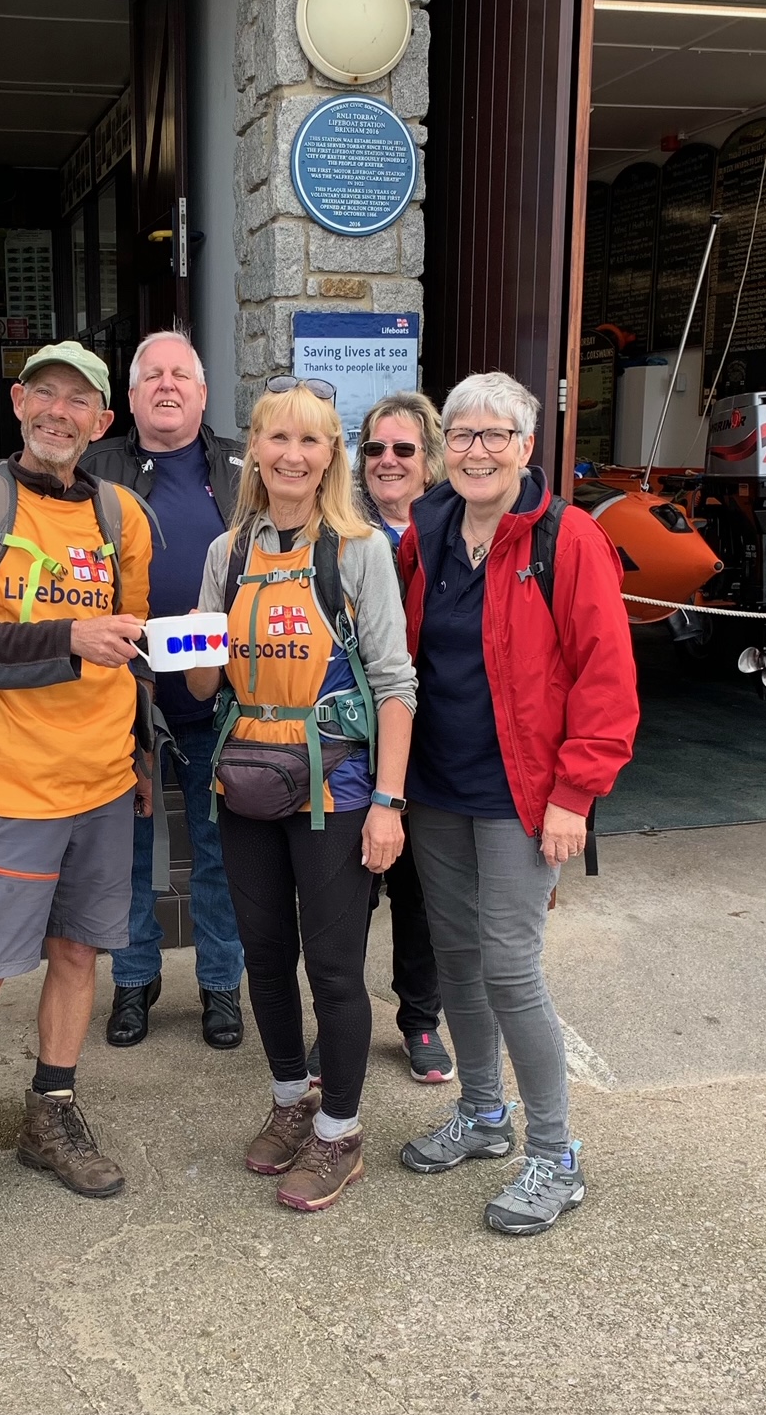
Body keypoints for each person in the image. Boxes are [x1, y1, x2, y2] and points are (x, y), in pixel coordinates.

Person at [0, 340, 153, 1248]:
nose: (59, 412)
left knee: (80, 957)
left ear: (102, 421)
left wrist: (137, 761)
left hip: (101, 782)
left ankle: (50, 1117)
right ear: (17, 402)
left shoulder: (123, 515)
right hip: (10, 785)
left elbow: (129, 650)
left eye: (77, 401)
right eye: (43, 395)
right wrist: (67, 639)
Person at [395, 371, 637, 1236]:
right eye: (461, 435)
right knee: (456, 959)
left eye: (497, 435)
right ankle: (484, 1116)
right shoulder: (424, 537)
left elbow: (607, 679)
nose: (477, 451)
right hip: (436, 788)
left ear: (528, 449)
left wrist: (577, 794)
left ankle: (556, 1154)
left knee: (509, 966)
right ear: (442, 449)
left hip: (524, 798)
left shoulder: (565, 540)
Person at [187, 378, 416, 1214]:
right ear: (255, 450)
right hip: (246, 778)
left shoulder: (360, 549)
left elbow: (396, 684)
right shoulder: (228, 552)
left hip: (339, 789)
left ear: (332, 457)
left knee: (335, 969)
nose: (292, 455)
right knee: (264, 963)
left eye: (310, 441)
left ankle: (340, 1134)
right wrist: (188, 645)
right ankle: (292, 1103)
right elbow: (209, 684)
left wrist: (388, 803)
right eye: (277, 440)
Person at [81, 330, 247, 1051]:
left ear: (204, 394)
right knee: (128, 853)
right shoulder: (94, 468)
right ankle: (133, 980)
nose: (168, 386)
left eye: (183, 374)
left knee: (220, 852)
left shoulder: (242, 466)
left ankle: (220, 986)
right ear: (132, 395)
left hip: (224, 701)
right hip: (125, 702)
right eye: (153, 376)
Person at [322, 391, 453, 1084]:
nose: (388, 461)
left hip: (432, 743)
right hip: (351, 743)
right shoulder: (338, 532)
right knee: (346, 894)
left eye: (403, 449)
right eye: (374, 449)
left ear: (429, 459)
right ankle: (341, 1022)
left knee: (419, 894)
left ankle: (420, 1020)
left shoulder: (454, 536)